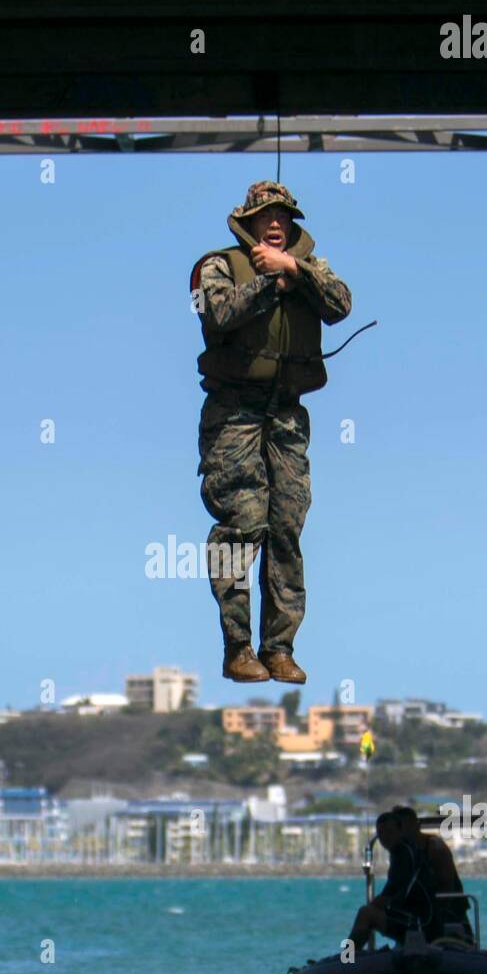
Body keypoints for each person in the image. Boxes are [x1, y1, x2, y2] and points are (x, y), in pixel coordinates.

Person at [191, 181, 353, 684]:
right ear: (248, 222)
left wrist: (295, 272)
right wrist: (269, 283)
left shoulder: (310, 267)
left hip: (286, 414)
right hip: (233, 411)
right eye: (266, 217)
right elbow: (215, 310)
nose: (277, 224)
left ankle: (279, 647)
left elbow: (341, 302)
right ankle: (238, 647)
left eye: (284, 215)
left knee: (286, 526)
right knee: (242, 523)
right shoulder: (216, 266)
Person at [347, 807, 473, 953]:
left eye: (389, 832)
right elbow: (394, 890)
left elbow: (401, 891)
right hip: (416, 916)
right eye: (380, 833)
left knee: (366, 914)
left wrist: (383, 903)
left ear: (401, 831)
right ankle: (349, 956)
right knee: (368, 912)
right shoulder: (402, 852)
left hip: (423, 921)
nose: (384, 838)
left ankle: (346, 957)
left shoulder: (407, 853)